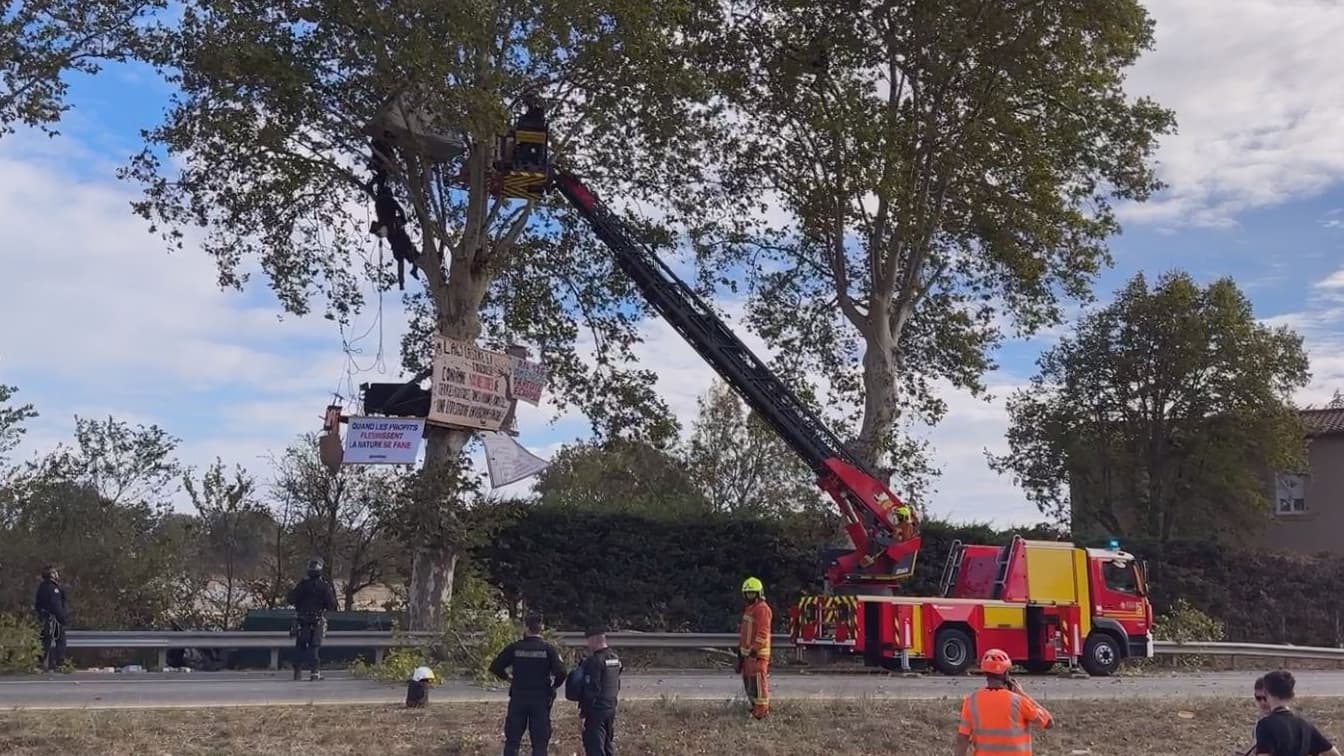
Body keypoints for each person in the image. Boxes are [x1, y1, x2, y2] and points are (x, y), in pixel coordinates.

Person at [489, 611, 567, 756]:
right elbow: (562, 672)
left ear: (525, 627)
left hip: (519, 698)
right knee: (539, 743)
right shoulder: (548, 649)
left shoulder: (515, 647)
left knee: (512, 741)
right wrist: (553, 687)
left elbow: (495, 667)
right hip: (540, 700)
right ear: (541, 628)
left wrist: (508, 679)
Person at [954, 649, 1053, 756]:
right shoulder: (1018, 701)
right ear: (1006, 674)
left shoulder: (971, 701)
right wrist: (1023, 694)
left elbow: (962, 738)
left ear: (985, 673)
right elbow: (1049, 723)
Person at [1253, 669, 1341, 756]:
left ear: (1266, 693)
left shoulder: (1265, 725)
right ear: (1291, 695)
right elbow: (1334, 754)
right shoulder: (1305, 725)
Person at [286, 557, 337, 681]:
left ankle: (297, 672)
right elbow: (331, 604)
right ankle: (314, 672)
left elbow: (291, 599)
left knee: (300, 645)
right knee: (314, 646)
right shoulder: (324, 586)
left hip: (302, 619)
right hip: (316, 619)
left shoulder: (302, 584)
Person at [575, 625, 621, 756]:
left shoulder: (594, 661)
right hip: (610, 708)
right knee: (607, 746)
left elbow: (591, 690)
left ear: (595, 640)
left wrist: (583, 714)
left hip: (596, 711)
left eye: (588, 641)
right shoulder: (615, 658)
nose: (588, 645)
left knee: (595, 747)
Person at [737, 576, 773, 719]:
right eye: (748, 593)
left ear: (759, 593)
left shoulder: (762, 609)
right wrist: (740, 649)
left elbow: (763, 632)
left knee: (758, 683)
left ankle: (761, 712)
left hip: (758, 655)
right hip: (748, 655)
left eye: (752, 593)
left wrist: (755, 648)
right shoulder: (749, 609)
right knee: (749, 683)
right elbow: (745, 632)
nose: (750, 596)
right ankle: (754, 707)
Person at [33, 565, 68, 673]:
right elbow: (56, 606)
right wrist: (62, 618)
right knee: (60, 640)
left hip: (43, 618)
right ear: (51, 575)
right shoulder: (54, 589)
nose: (57, 574)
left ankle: (39, 665)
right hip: (54, 619)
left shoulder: (41, 587)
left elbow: (37, 604)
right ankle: (59, 664)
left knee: (44, 641)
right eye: (55, 572)